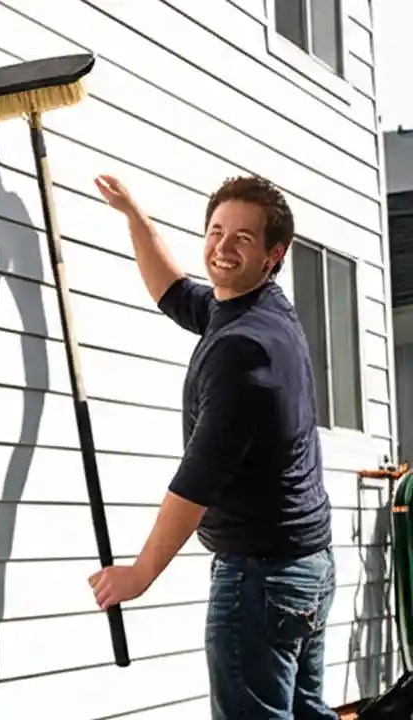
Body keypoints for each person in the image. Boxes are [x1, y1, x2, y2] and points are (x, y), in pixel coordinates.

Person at [87, 174, 337, 719]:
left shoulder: (243, 350)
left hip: (262, 577)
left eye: (242, 238)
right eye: (216, 231)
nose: (222, 248)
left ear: (274, 253)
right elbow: (176, 294)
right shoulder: (255, 306)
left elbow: (198, 480)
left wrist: (139, 574)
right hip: (303, 565)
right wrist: (136, 218)